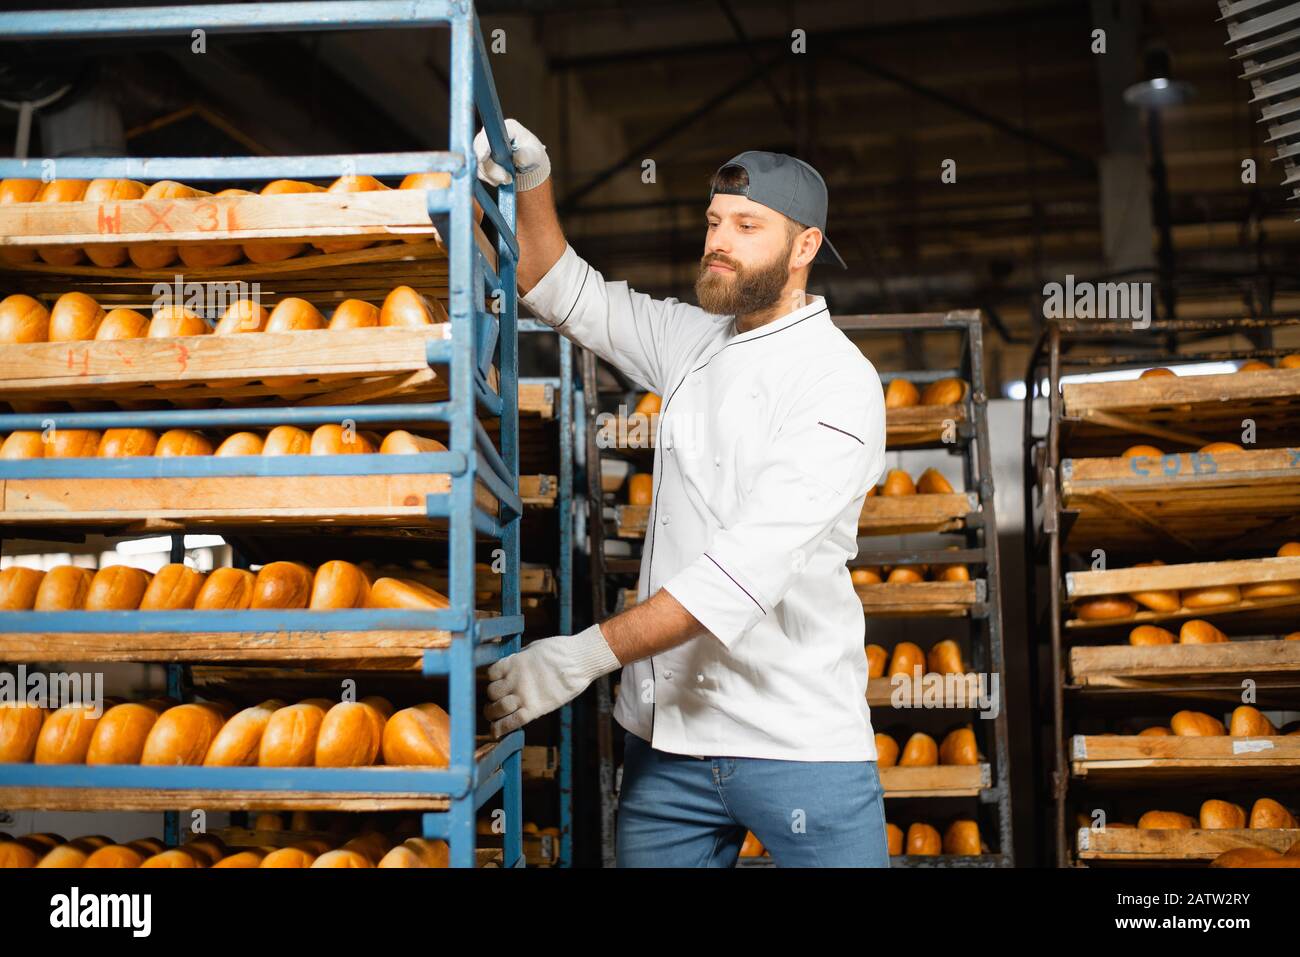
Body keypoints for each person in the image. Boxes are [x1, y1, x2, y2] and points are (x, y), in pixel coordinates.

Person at [477, 119, 889, 867]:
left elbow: (741, 573)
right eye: (712, 221)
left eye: (746, 225)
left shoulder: (839, 381)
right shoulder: (692, 338)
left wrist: (578, 657)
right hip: (668, 747)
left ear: (804, 248)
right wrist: (531, 180)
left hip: (795, 737)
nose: (718, 241)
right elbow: (558, 288)